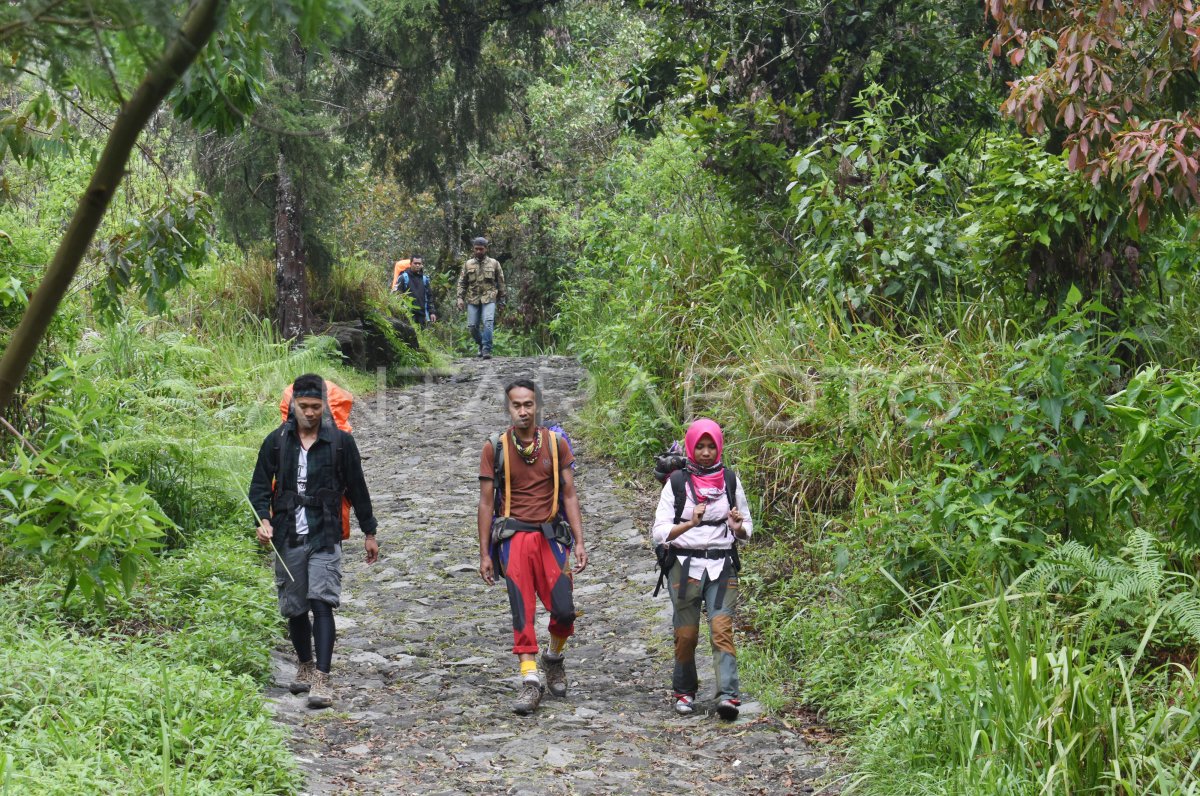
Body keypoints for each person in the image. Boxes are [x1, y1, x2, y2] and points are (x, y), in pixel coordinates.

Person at [249, 373, 380, 710]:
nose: (309, 413)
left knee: (322, 601)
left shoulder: (340, 443)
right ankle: (304, 664)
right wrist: (263, 521)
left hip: (326, 532)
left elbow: (357, 488)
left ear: (325, 406)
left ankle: (322, 675)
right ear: (292, 405)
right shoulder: (276, 441)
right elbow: (260, 488)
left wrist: (369, 532)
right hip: (288, 531)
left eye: (315, 407)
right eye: (303, 406)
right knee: (295, 606)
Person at [477, 379, 588, 715]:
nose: (523, 411)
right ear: (507, 408)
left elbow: (569, 494)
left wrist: (580, 542)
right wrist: (484, 553)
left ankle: (553, 656)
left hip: (552, 537)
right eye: (516, 405)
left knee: (565, 611)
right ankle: (530, 681)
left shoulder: (557, 445)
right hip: (513, 540)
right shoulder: (494, 447)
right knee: (522, 610)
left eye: (528, 405)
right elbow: (484, 504)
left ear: (538, 405)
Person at [651, 418, 752, 720]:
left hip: (722, 566)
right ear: (692, 448)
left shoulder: (730, 480)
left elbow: (747, 527)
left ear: (719, 447)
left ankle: (729, 697)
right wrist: (690, 524)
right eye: (700, 446)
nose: (707, 452)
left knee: (722, 629)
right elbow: (659, 532)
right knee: (686, 633)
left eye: (711, 446)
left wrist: (738, 527)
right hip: (683, 566)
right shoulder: (677, 483)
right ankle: (685, 691)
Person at [455, 236, 505, 359]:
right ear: (473, 249)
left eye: (481, 249)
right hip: (473, 298)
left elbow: (501, 282)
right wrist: (460, 298)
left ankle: (486, 349)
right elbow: (462, 282)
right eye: (476, 249)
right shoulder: (468, 264)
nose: (478, 251)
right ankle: (481, 344)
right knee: (472, 326)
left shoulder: (494, 263)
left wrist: (502, 300)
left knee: (488, 322)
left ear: (486, 249)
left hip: (489, 296)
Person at [394, 254, 437, 326]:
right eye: (415, 263)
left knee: (422, 336)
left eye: (419, 263)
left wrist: (432, 312)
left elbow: (429, 297)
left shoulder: (425, 279)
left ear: (421, 265)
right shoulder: (403, 278)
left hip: (422, 316)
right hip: (408, 315)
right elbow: (397, 295)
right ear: (410, 264)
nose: (417, 265)